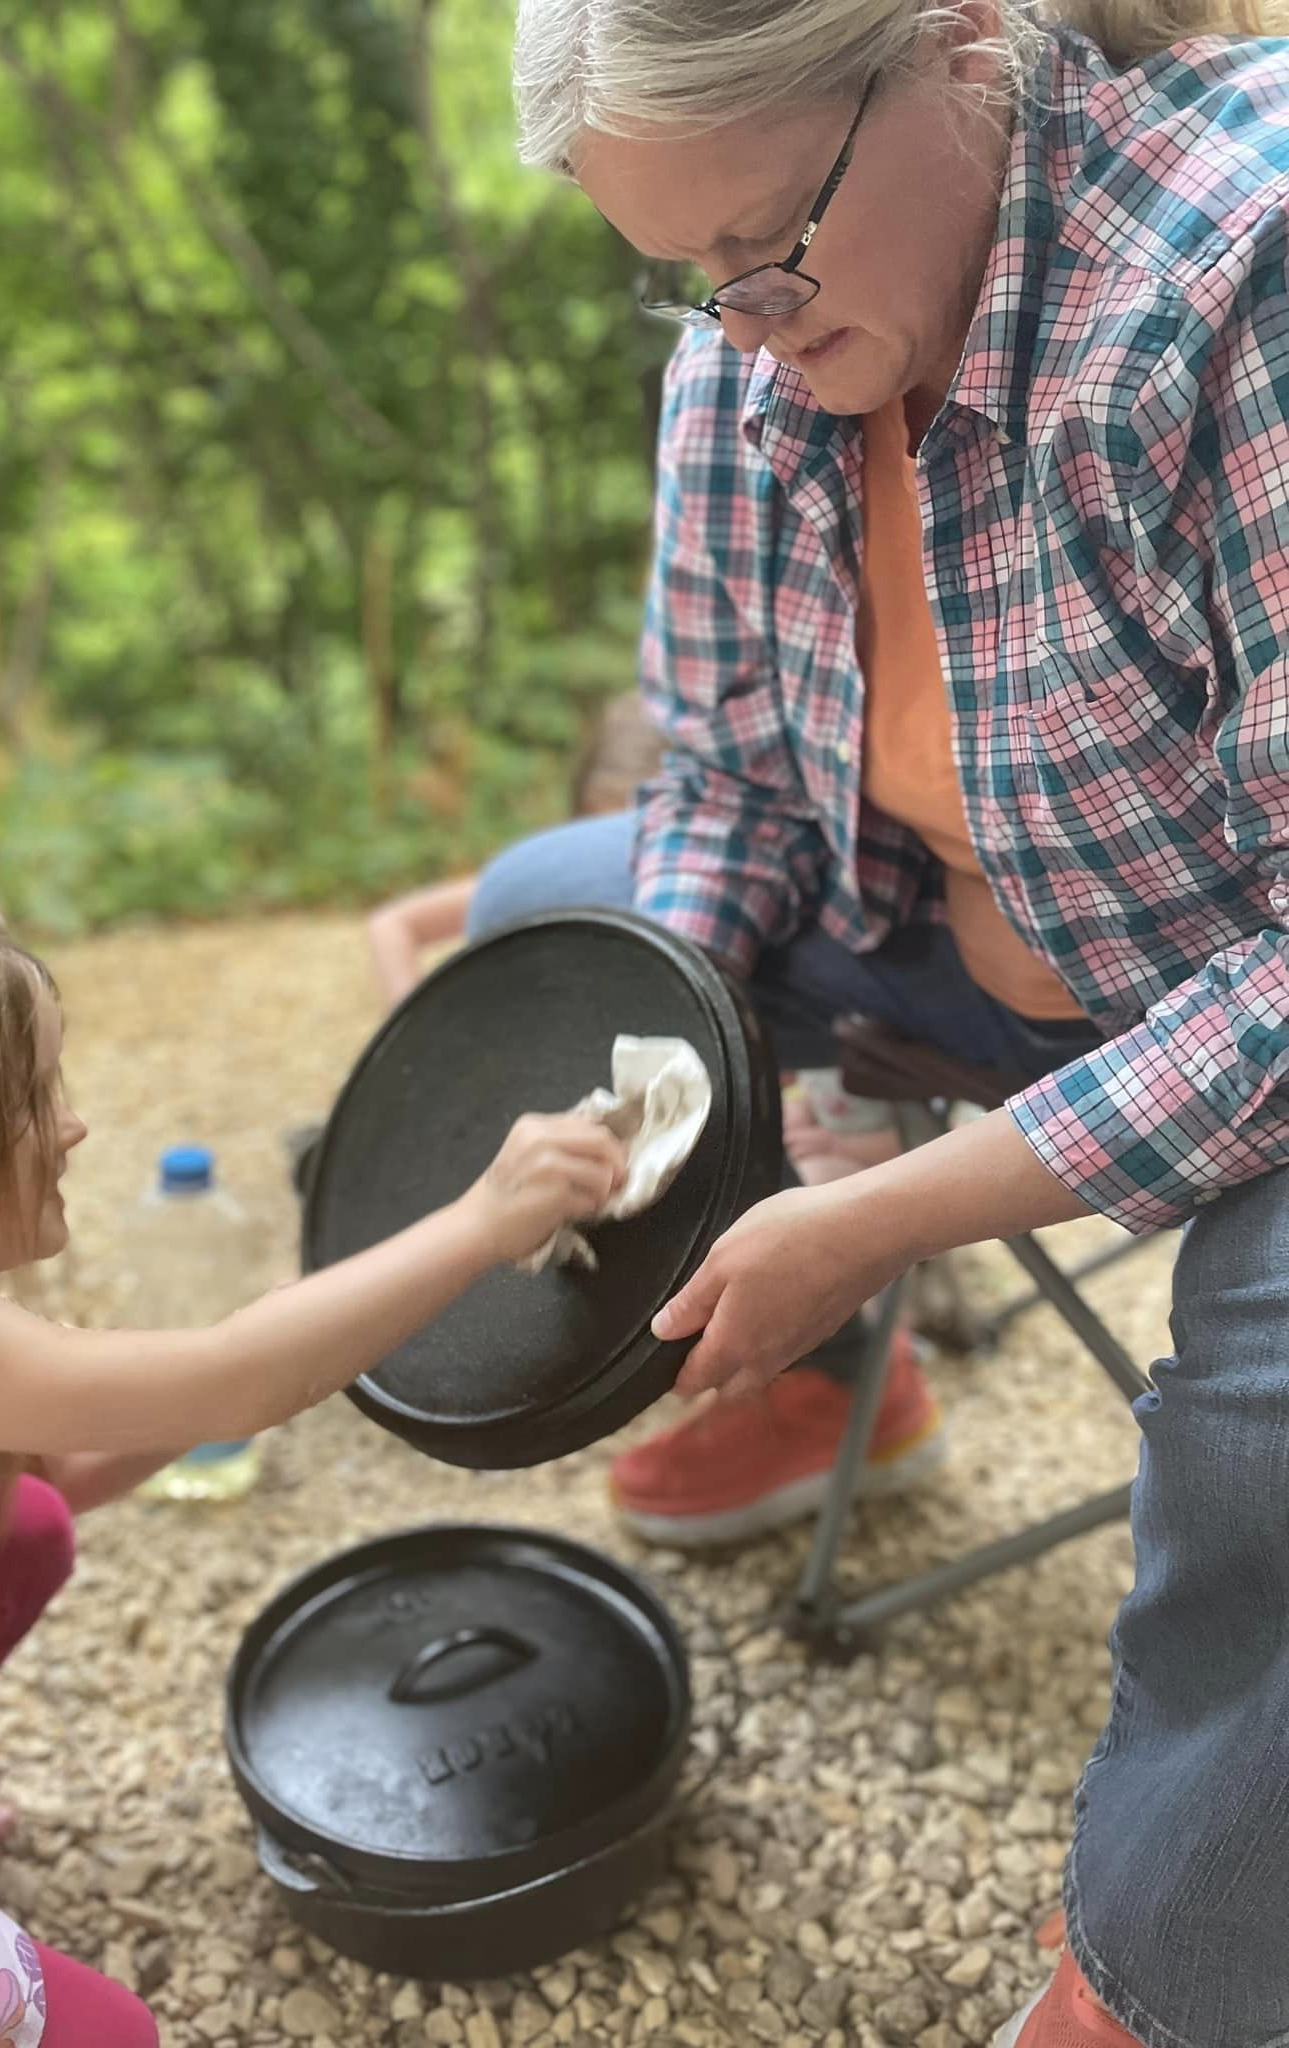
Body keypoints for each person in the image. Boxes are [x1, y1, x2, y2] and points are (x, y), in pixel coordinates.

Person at [503, 0, 1289, 2040]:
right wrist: (649, 1101)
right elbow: (735, 797)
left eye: (773, 244)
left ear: (957, 48)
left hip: (1239, 989)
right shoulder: (745, 371)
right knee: (540, 931)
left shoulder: (1237, 269)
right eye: (692, 282)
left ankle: (1177, 1966)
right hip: (959, 945)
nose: (744, 328)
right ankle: (807, 1379)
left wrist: (885, 1213)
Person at [0, 878, 625, 2048]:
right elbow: (232, 1377)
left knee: (22, 1522)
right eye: (24, 1101)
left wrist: (343, 1315)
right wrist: (477, 1222)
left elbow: (68, 1463)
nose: (72, 1126)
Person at [367, 690, 663, 1008]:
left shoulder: (522, 876)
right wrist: (415, 1023)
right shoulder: (554, 882)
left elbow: (391, 923)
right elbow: (392, 923)